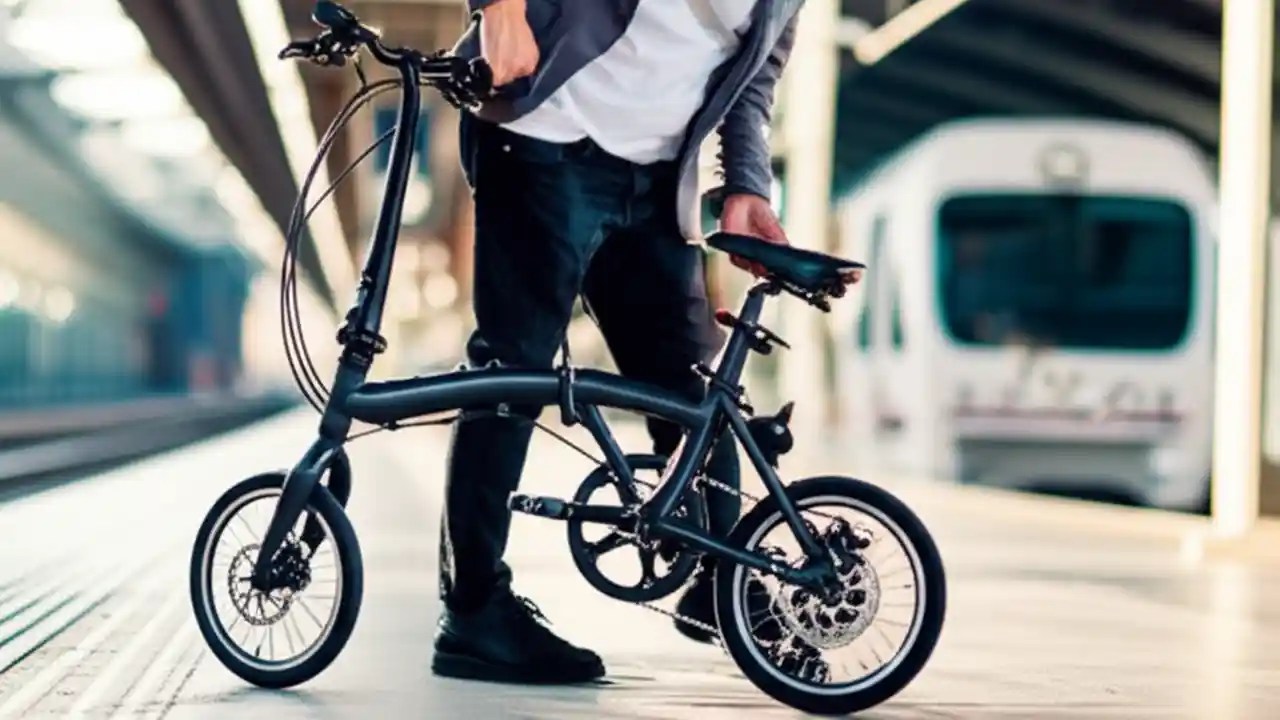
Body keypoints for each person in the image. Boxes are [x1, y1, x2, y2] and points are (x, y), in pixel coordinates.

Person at [433, 0, 806, 685]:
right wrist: (501, 8)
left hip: (658, 180)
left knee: (692, 387)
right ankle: (474, 611)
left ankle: (720, 584)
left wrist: (745, 187)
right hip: (545, 139)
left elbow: (752, 78)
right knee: (513, 372)